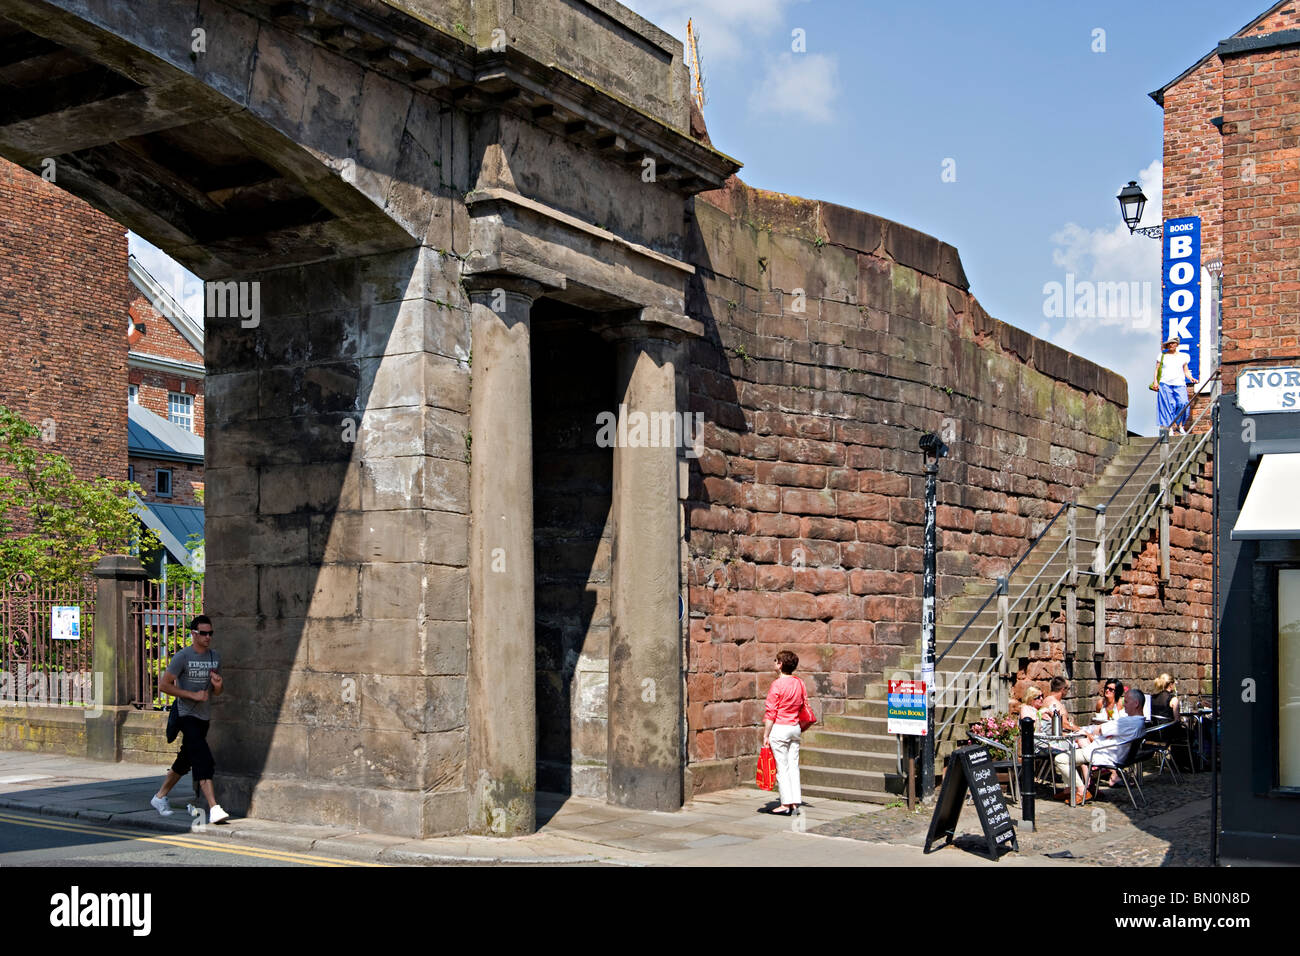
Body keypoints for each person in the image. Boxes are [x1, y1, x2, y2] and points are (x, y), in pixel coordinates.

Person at [150, 615, 229, 824]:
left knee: (186, 759)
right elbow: (164, 685)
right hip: (186, 714)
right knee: (203, 757)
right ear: (194, 634)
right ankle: (214, 808)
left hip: (204, 715)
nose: (208, 637)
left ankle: (159, 797)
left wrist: (218, 684)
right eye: (203, 633)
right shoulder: (182, 657)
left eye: (210, 633)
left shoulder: (215, 657)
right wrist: (192, 695)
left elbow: (217, 692)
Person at [1054, 689, 1149, 804]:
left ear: (1136, 704)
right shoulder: (1140, 723)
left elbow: (1099, 729)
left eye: (1127, 702)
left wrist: (1088, 731)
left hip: (1101, 754)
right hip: (1116, 754)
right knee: (1080, 743)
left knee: (1060, 759)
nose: (1124, 705)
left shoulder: (1127, 722)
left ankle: (1081, 790)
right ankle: (1074, 788)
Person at [762, 650, 809, 815]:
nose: (774, 663)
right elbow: (804, 704)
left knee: (782, 767)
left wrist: (766, 734)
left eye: (776, 660)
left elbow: (771, 712)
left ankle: (785, 803)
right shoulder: (799, 683)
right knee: (793, 766)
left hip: (780, 728)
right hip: (795, 727)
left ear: (780, 664)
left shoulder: (777, 685)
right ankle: (795, 801)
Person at [1151, 336, 1196, 436]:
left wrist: (1191, 378)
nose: (1171, 345)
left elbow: (1186, 370)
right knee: (1168, 406)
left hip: (1179, 383)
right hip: (1165, 383)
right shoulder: (1162, 355)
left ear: (1177, 344)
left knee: (1183, 403)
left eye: (1173, 343)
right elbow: (1157, 369)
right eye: (1169, 343)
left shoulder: (1183, 356)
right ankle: (1170, 427)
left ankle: (1180, 425)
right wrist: (1155, 382)